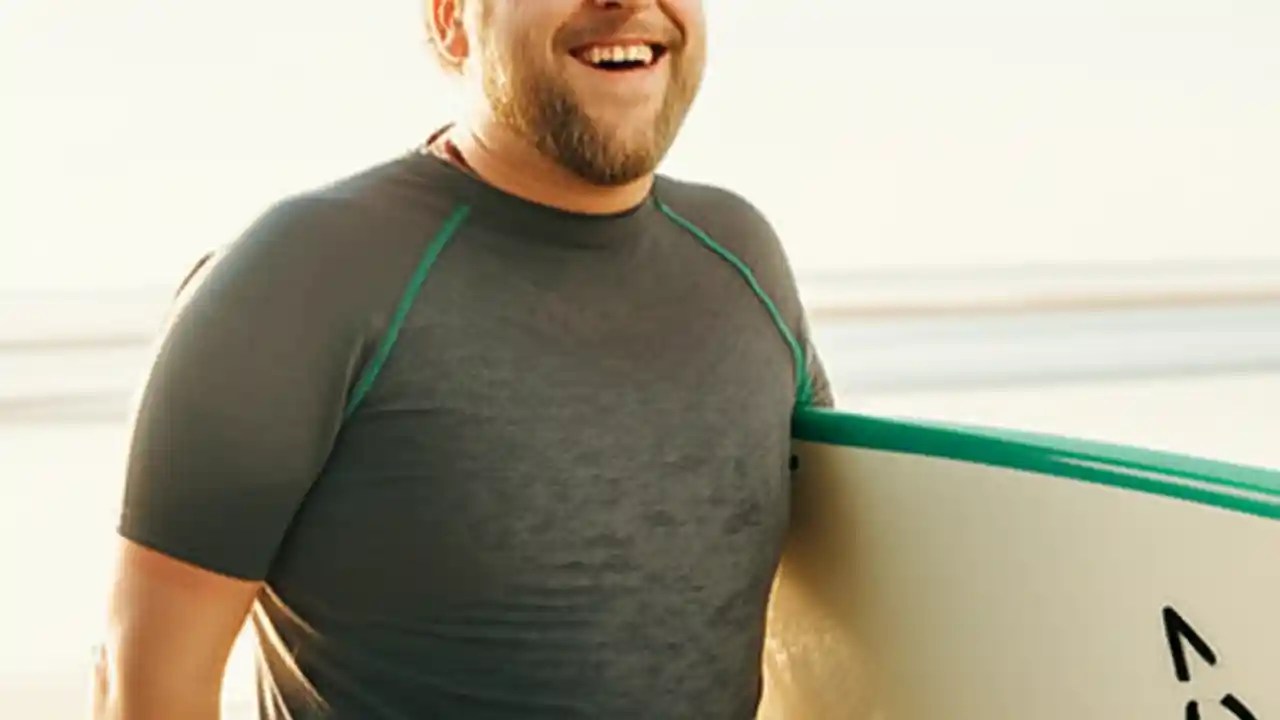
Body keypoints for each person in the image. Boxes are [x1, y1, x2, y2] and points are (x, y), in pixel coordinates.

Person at [94, 0, 833, 717]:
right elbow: (146, 689)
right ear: (452, 20)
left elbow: (850, 607)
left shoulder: (744, 258)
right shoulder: (304, 277)